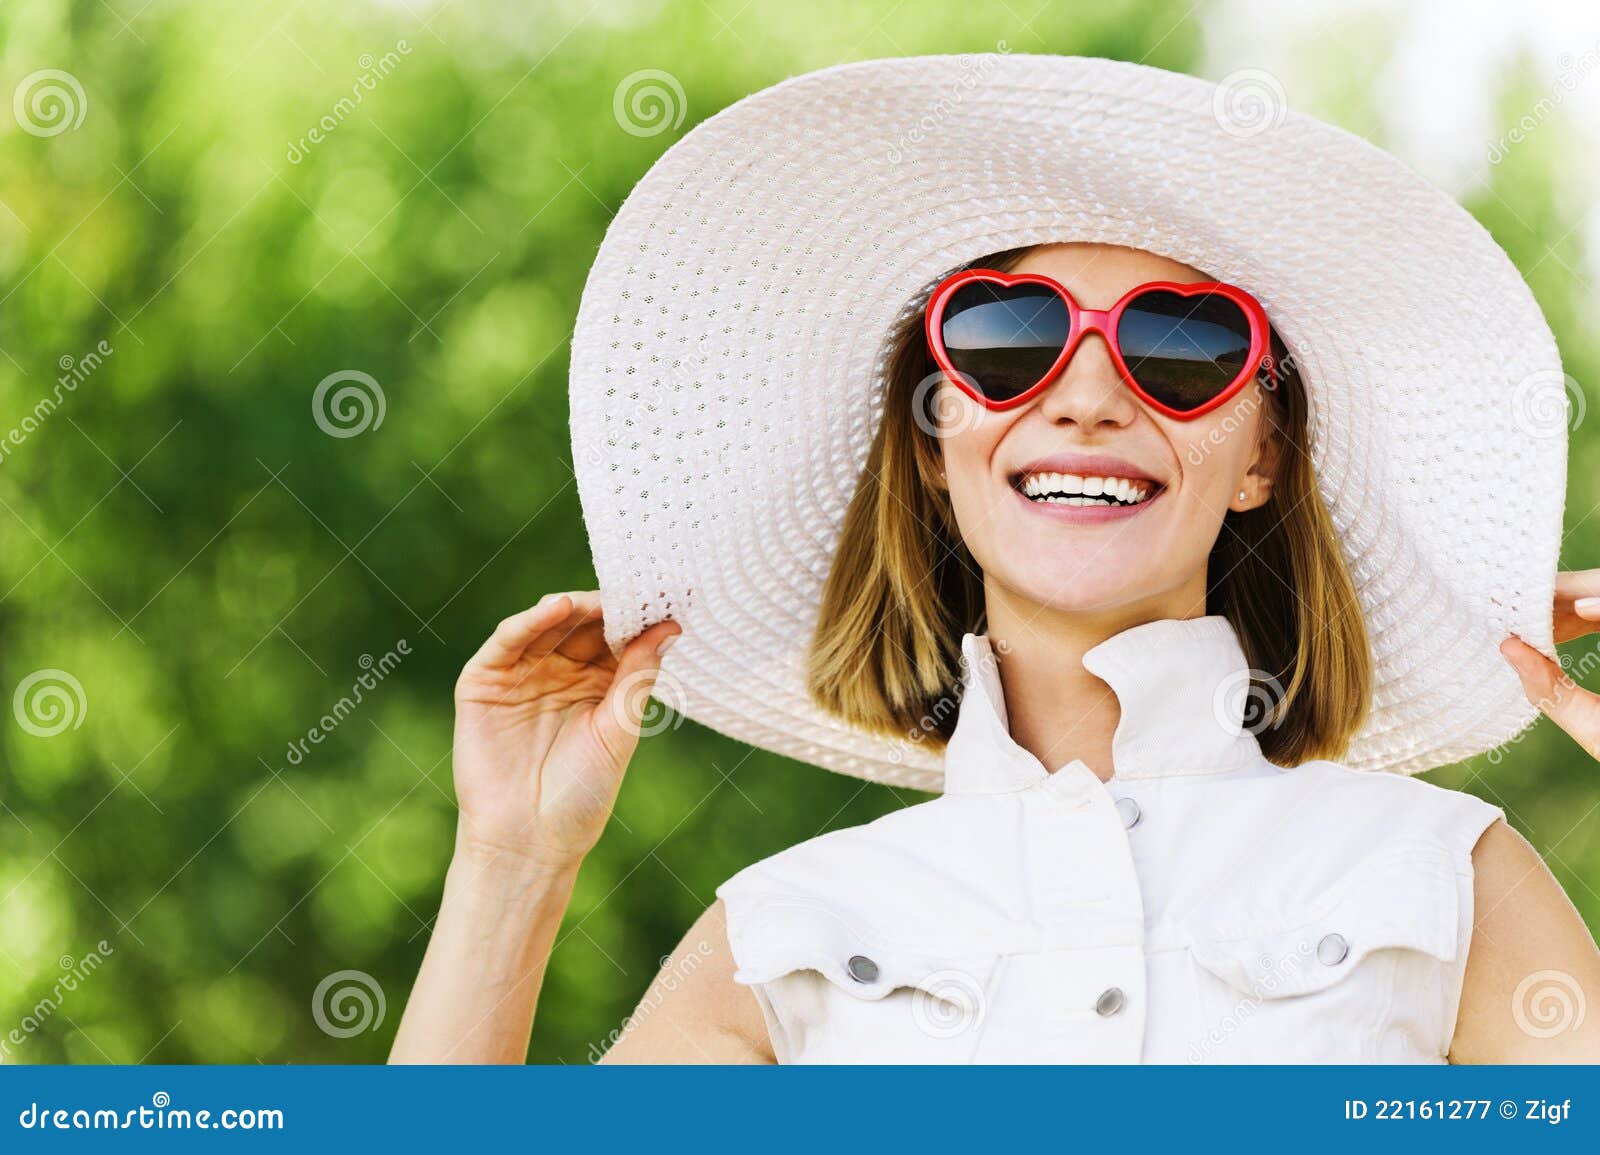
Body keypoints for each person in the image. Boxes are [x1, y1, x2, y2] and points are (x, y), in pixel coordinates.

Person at [391, 55, 1600, 1064]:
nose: (1083, 398)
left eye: (1179, 352)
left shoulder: (1443, 876)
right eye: (1005, 337)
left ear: (1261, 459)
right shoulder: (784, 934)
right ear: (930, 441)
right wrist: (513, 860)